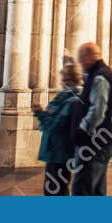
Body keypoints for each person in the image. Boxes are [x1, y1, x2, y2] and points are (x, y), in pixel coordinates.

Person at [72, 42, 112, 196]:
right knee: (96, 188)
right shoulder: (98, 73)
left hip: (95, 142)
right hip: (101, 141)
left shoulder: (100, 77)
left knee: (84, 187)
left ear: (89, 57)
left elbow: (98, 110)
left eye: (81, 60)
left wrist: (83, 129)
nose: (80, 64)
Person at [35, 61, 85, 195]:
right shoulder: (67, 98)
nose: (62, 83)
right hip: (59, 153)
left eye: (64, 79)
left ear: (69, 80)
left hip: (59, 153)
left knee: (54, 190)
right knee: (58, 188)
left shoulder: (71, 100)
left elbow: (55, 126)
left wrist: (40, 113)